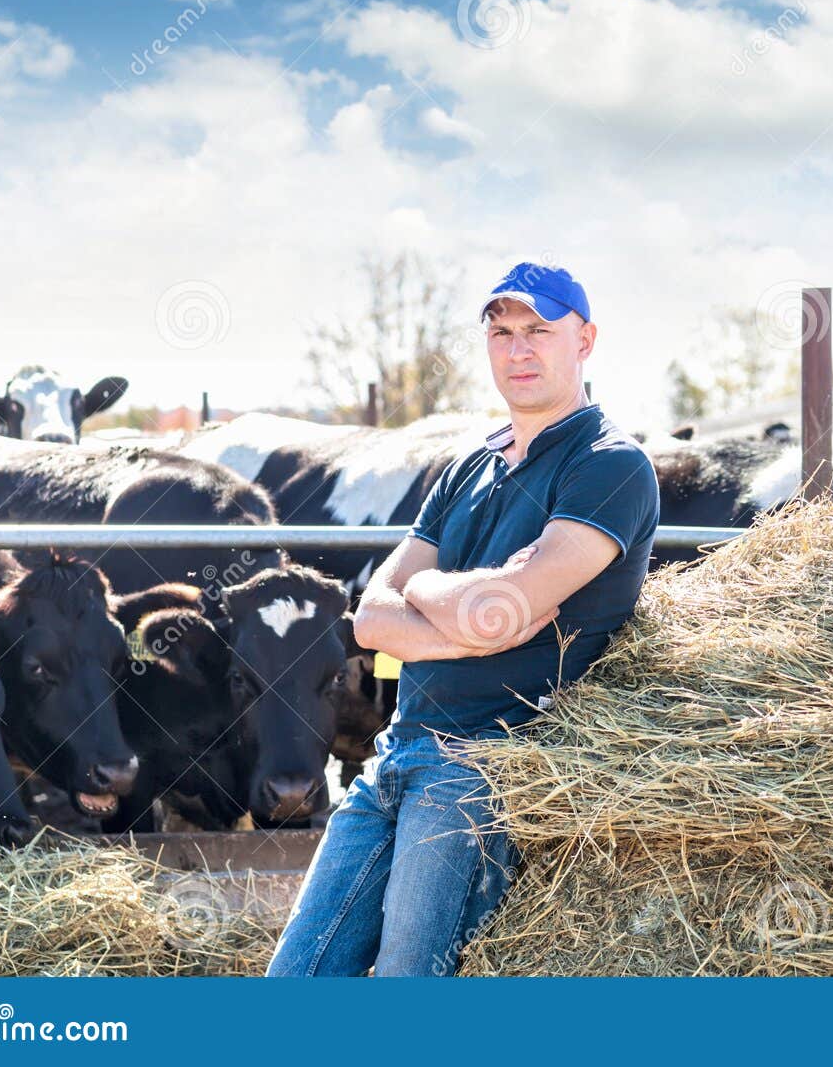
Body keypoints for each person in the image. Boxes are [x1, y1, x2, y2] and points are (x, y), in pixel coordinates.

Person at [266, 261, 660, 977]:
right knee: (297, 976)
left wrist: (442, 597)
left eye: (539, 330)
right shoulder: (467, 466)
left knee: (405, 984)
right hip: (394, 753)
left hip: (482, 762)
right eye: (502, 331)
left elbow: (497, 611)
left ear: (586, 340)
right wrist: (474, 616)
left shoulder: (611, 466)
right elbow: (370, 622)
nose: (518, 349)